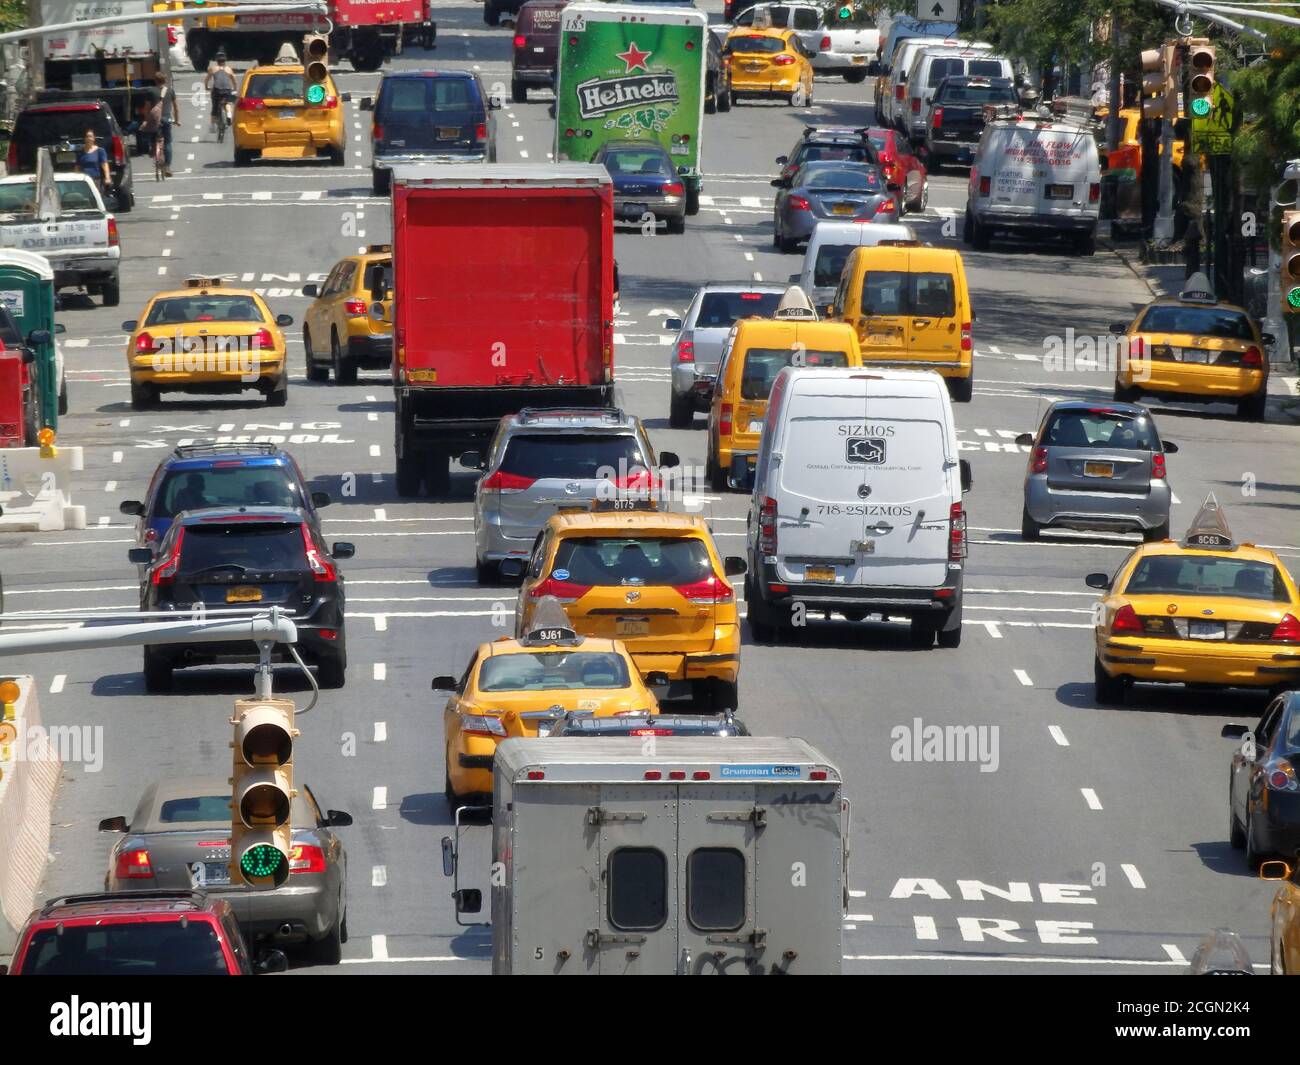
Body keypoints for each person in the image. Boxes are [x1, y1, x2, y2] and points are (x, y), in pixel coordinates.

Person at [205, 53, 237, 133]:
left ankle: (212, 126)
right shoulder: (229, 69)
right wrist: (234, 89)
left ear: (217, 61)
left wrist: (206, 87)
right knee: (228, 103)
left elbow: (206, 79)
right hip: (227, 89)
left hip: (217, 90)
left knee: (215, 107)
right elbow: (234, 81)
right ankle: (229, 115)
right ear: (225, 61)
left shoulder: (213, 68)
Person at [155, 73, 180, 176]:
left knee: (153, 138)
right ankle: (167, 166)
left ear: (155, 81)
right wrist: (177, 120)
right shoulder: (170, 91)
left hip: (155, 120)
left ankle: (154, 152)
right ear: (165, 81)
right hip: (166, 119)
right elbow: (176, 107)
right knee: (168, 142)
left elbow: (147, 108)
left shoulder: (151, 91)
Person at [77, 130, 111, 195]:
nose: (88, 138)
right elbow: (77, 167)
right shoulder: (81, 152)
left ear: (93, 138)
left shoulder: (100, 151)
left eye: (90, 136)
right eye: (87, 137)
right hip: (84, 181)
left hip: (96, 180)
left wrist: (107, 177)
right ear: (84, 139)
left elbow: (104, 164)